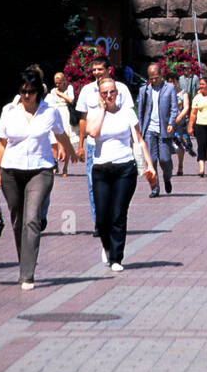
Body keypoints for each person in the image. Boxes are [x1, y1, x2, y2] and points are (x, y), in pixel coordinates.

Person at [0, 69, 77, 290]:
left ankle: (27, 274)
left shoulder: (49, 111)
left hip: (40, 170)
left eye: (30, 91)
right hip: (11, 170)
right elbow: (1, 143)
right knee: (17, 220)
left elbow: (61, 135)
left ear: (39, 91)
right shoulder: (8, 111)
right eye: (23, 91)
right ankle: (26, 261)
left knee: (32, 219)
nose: (26, 95)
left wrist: (72, 152)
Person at [88, 77, 152, 271]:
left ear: (118, 93)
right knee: (101, 217)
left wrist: (150, 165)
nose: (109, 96)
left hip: (125, 168)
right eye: (105, 93)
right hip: (101, 168)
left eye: (112, 92)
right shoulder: (96, 113)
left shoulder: (127, 113)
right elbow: (92, 133)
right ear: (99, 95)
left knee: (118, 213)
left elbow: (139, 140)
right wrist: (101, 110)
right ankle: (107, 247)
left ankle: (116, 258)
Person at [75, 55, 134, 231]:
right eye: (94, 70)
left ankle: (114, 220)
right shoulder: (87, 90)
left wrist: (130, 141)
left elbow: (129, 115)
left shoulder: (121, 88)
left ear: (109, 70)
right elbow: (83, 119)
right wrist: (80, 145)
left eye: (100, 69)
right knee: (93, 185)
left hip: (118, 144)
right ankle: (99, 224)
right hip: (94, 144)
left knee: (117, 187)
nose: (96, 73)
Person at [137, 61, 179, 197]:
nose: (154, 80)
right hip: (149, 129)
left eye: (156, 77)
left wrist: (172, 122)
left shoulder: (170, 88)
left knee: (165, 159)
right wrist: (139, 129)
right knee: (152, 161)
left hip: (164, 129)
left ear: (161, 75)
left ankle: (167, 177)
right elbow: (140, 111)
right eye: (151, 78)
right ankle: (155, 187)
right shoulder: (144, 90)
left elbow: (174, 108)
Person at [45, 72, 76, 176]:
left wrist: (61, 94)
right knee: (53, 141)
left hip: (66, 113)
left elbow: (71, 100)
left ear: (64, 82)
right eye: (56, 83)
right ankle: (55, 164)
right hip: (56, 114)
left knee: (66, 140)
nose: (57, 85)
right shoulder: (53, 91)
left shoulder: (69, 88)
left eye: (59, 83)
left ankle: (66, 168)